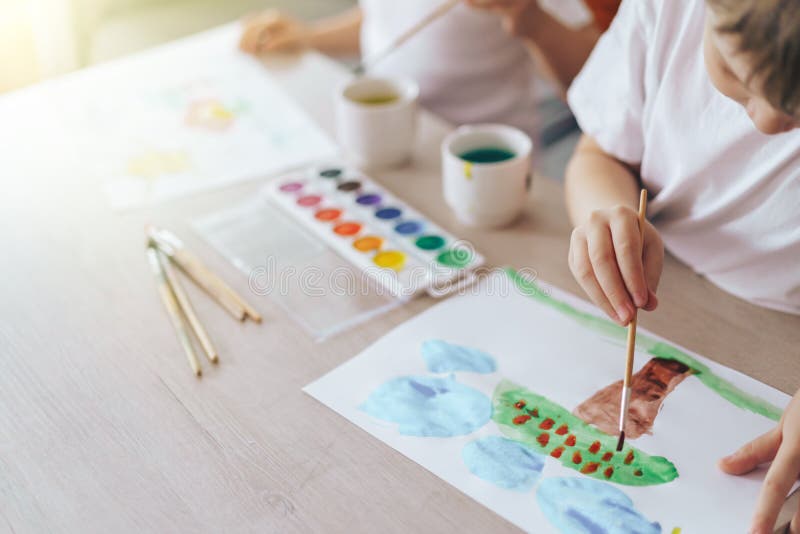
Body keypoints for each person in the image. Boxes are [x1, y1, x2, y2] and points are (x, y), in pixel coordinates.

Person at [564, 0, 800, 531]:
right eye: (738, 73)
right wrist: (604, 215)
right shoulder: (667, 12)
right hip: (679, 295)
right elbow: (599, 155)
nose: (766, 123)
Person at [239, 0, 610, 140]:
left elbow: (596, 81)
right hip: (393, 139)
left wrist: (530, 18)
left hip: (482, 158)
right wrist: (309, 37)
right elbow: (385, 22)